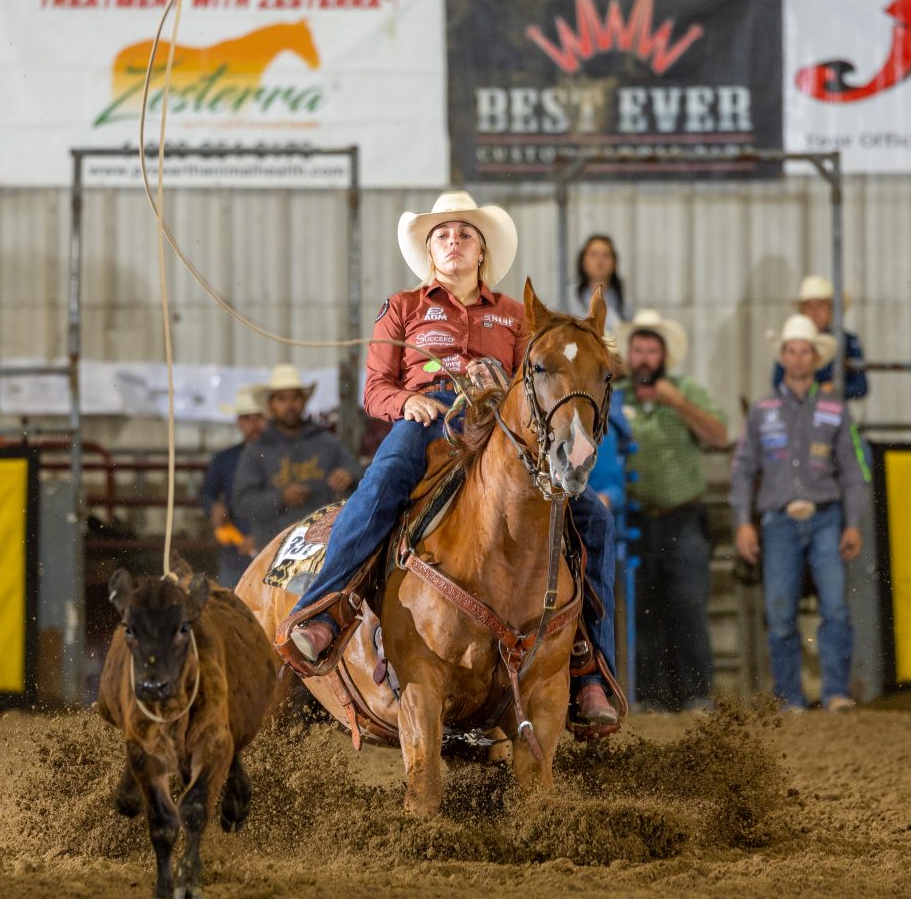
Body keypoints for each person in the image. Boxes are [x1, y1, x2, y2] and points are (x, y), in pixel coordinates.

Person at [286, 190, 620, 726]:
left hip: (501, 432)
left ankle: (588, 670)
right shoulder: (403, 308)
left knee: (593, 521)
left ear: (482, 251)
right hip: (428, 422)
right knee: (384, 482)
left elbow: (536, 383)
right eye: (442, 234)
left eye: (465, 233)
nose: (453, 241)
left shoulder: (515, 317)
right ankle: (326, 611)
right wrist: (409, 400)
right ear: (430, 252)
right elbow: (375, 389)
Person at [732, 314, 871, 712]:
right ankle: (790, 695)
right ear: (783, 356)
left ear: (814, 357)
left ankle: (835, 692)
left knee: (835, 608)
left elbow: (852, 472)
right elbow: (743, 471)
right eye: (790, 351)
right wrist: (744, 522)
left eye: (803, 351)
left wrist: (852, 523)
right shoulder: (762, 412)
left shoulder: (835, 409)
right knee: (780, 612)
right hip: (778, 522)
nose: (796, 358)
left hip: (826, 516)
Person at [620, 309, 729, 713]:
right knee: (641, 609)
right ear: (629, 357)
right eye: (639, 350)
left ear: (664, 356)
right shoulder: (616, 397)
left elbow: (719, 436)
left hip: (682, 517)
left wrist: (678, 403)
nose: (645, 358)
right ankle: (650, 697)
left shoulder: (687, 391)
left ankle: (698, 694)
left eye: (652, 350)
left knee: (687, 604)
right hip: (633, 520)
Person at [231, 365, 359, 551]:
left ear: (304, 401)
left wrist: (349, 476)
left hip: (324, 546)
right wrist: (280, 498)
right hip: (272, 549)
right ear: (271, 405)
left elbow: (360, 477)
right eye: (282, 399)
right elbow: (242, 504)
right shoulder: (256, 450)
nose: (290, 405)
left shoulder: (328, 443)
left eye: (295, 397)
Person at [201, 385, 268, 589]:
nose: (253, 423)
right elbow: (206, 493)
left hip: (272, 544)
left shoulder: (280, 457)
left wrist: (262, 537)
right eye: (247, 418)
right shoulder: (225, 459)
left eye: (258, 417)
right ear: (239, 422)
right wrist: (213, 507)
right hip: (236, 547)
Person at [773, 275, 868, 400]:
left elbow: (861, 387)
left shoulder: (849, 341)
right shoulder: (791, 339)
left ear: (832, 309)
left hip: (833, 410)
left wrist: (835, 388)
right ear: (802, 310)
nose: (814, 311)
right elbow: (777, 384)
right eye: (809, 306)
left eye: (821, 305)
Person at [565, 235, 627, 340]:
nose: (600, 261)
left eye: (606, 255)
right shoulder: (568, 297)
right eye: (593, 255)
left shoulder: (624, 299)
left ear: (615, 263)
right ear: (582, 262)